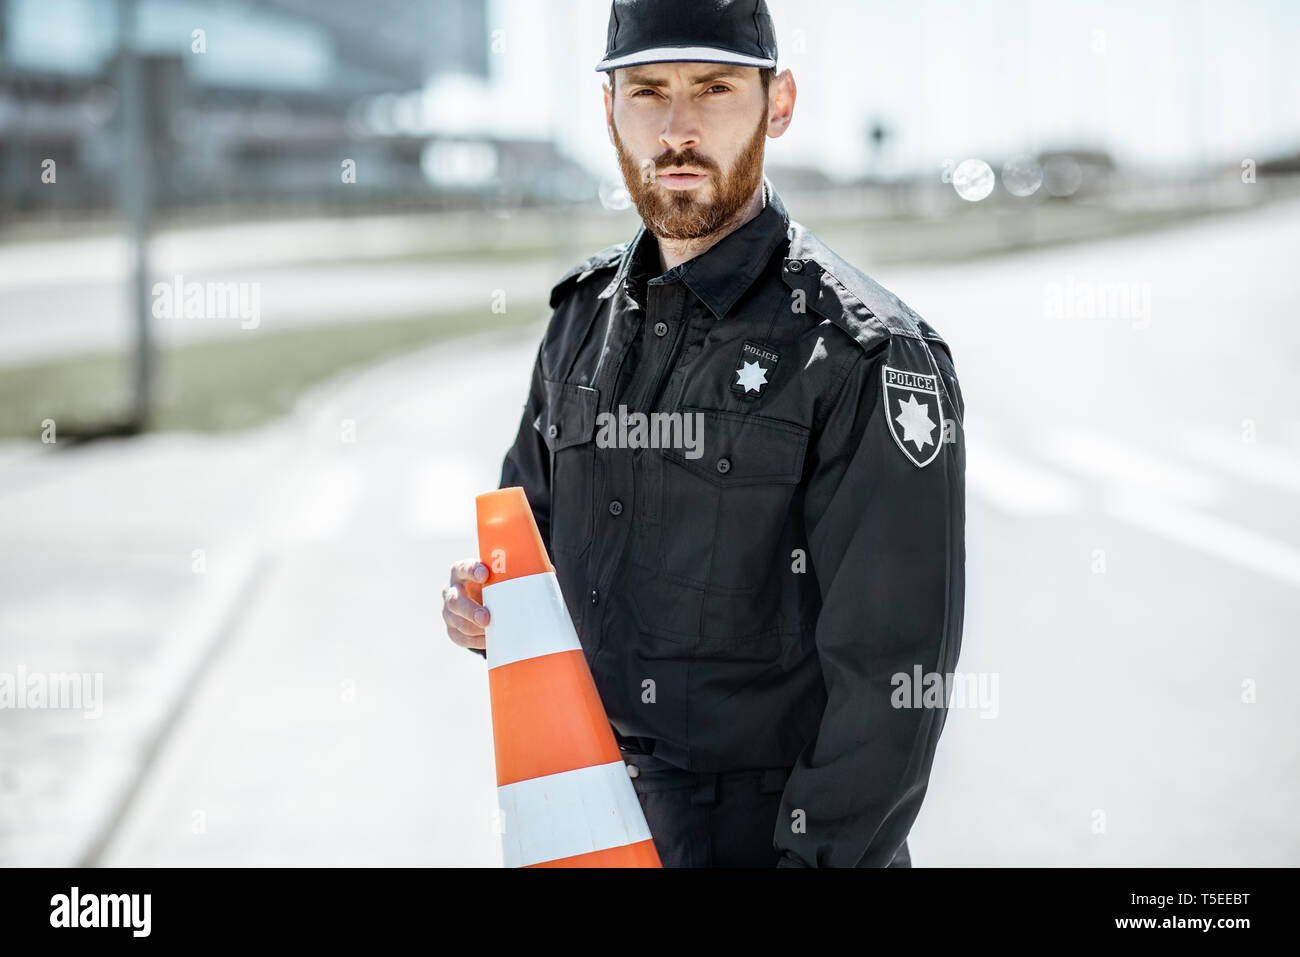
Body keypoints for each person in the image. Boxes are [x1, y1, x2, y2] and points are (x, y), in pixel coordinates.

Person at [443, 0, 966, 868]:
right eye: (648, 92)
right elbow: (527, 558)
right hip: (582, 827)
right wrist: (486, 608)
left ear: (779, 103)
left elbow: (889, 691)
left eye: (714, 88)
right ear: (608, 109)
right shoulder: (579, 322)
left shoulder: (864, 355)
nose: (677, 128)